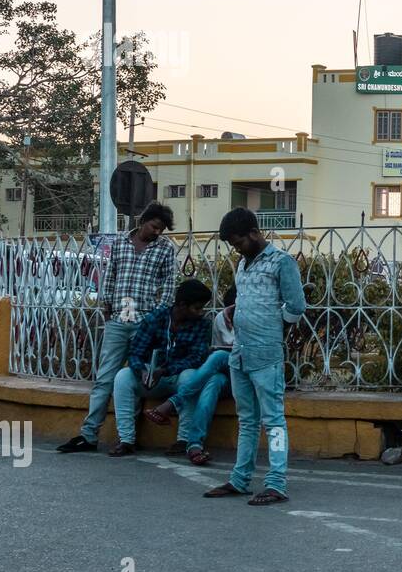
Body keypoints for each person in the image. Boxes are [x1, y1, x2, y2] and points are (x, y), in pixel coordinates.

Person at [204, 208, 305, 506]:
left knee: (273, 420)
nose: (236, 248)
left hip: (266, 352)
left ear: (253, 233)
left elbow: (296, 306)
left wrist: (277, 327)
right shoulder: (243, 263)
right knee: (247, 419)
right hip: (241, 353)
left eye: (238, 242)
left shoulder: (282, 262)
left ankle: (277, 482)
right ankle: (240, 478)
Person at [57, 203, 177, 453]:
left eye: (161, 230)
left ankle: (127, 438)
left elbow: (169, 282)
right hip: (119, 320)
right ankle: (89, 435)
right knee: (104, 379)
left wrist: (159, 311)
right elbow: (110, 275)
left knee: (135, 377)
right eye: (154, 226)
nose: (157, 232)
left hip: (146, 320)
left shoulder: (165, 248)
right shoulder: (122, 242)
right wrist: (106, 304)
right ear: (144, 220)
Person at [106, 279, 212, 457]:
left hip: (177, 377)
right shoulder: (157, 317)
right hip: (151, 376)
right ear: (182, 305)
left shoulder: (202, 324)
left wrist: (165, 370)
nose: (201, 312)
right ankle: (126, 440)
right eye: (197, 308)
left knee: (192, 377)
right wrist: (142, 371)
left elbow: (196, 358)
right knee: (122, 377)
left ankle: (183, 440)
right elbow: (135, 352)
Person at [146, 286, 237, 465]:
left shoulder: (259, 320)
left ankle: (172, 402)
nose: (232, 312)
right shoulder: (220, 319)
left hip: (246, 373)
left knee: (218, 357)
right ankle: (194, 444)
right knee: (214, 381)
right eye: (231, 308)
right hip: (226, 374)